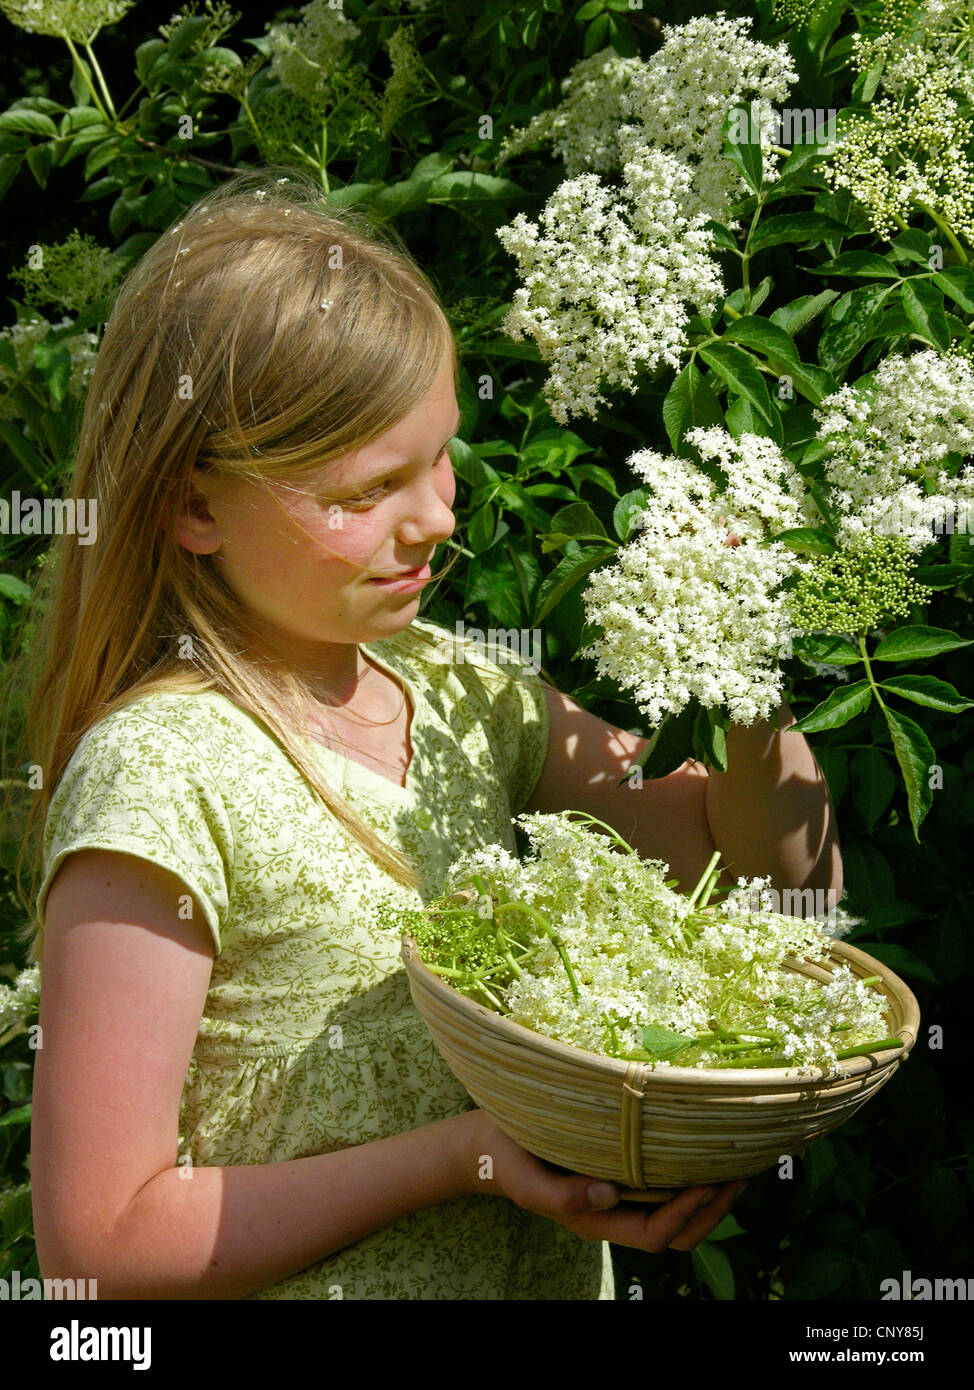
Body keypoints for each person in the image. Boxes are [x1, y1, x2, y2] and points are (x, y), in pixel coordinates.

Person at [11, 169, 837, 1301]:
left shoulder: (456, 693)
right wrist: (470, 1158)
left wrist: (742, 663)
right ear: (195, 506)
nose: (439, 516)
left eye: (440, 456)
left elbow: (772, 877)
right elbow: (99, 1254)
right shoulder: (160, 774)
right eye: (372, 487)